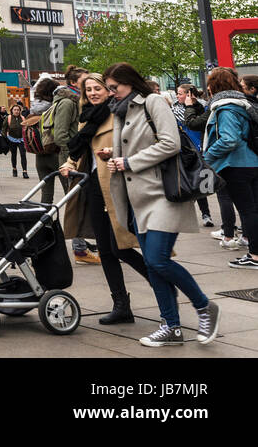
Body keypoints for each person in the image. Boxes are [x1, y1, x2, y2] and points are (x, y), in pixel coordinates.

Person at [102, 62, 218, 347]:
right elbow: (135, 146)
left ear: (129, 82)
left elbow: (170, 144)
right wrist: (114, 154)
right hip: (136, 197)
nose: (110, 93)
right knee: (154, 266)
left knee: (157, 259)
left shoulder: (152, 101)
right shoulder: (120, 110)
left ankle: (204, 307)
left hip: (163, 193)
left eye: (113, 87)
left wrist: (129, 161)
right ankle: (171, 326)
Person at [60, 74, 150, 325]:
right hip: (92, 186)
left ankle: (161, 283)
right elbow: (79, 151)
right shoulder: (86, 116)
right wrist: (68, 164)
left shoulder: (117, 113)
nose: (93, 93)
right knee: (107, 250)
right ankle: (121, 304)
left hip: (116, 187)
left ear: (108, 89)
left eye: (97, 88)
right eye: (88, 89)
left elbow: (135, 145)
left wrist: (114, 153)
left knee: (119, 246)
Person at [201, 67, 258, 270]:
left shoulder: (225, 108)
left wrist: (208, 155)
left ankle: (254, 255)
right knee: (253, 209)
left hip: (235, 164)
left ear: (214, 86)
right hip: (251, 161)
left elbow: (229, 139)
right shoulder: (244, 104)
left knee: (248, 210)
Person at [54, 67, 98, 264]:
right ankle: (80, 249)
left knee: (84, 202)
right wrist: (73, 157)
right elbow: (61, 135)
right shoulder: (68, 102)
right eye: (85, 81)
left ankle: (89, 244)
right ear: (74, 83)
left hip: (80, 158)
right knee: (77, 203)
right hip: (73, 161)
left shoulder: (79, 101)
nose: (90, 86)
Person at [174, 83, 219, 228]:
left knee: (200, 184)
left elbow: (198, 124)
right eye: (177, 93)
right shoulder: (173, 110)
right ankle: (183, 216)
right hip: (183, 150)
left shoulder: (203, 107)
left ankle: (206, 214)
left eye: (180, 93)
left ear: (188, 94)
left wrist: (191, 105)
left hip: (199, 148)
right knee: (186, 184)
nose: (177, 96)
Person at [28, 78, 61, 202]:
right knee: (69, 190)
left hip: (39, 153)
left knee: (46, 193)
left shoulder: (33, 108)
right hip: (55, 153)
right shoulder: (54, 107)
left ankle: (45, 221)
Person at [4, 103, 28, 179]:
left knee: (23, 155)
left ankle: (25, 171)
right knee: (13, 155)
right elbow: (4, 129)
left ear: (20, 111)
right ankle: (14, 169)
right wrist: (5, 139)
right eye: (15, 110)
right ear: (12, 110)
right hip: (12, 139)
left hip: (21, 139)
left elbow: (26, 128)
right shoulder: (9, 118)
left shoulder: (23, 118)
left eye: (18, 110)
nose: (16, 111)